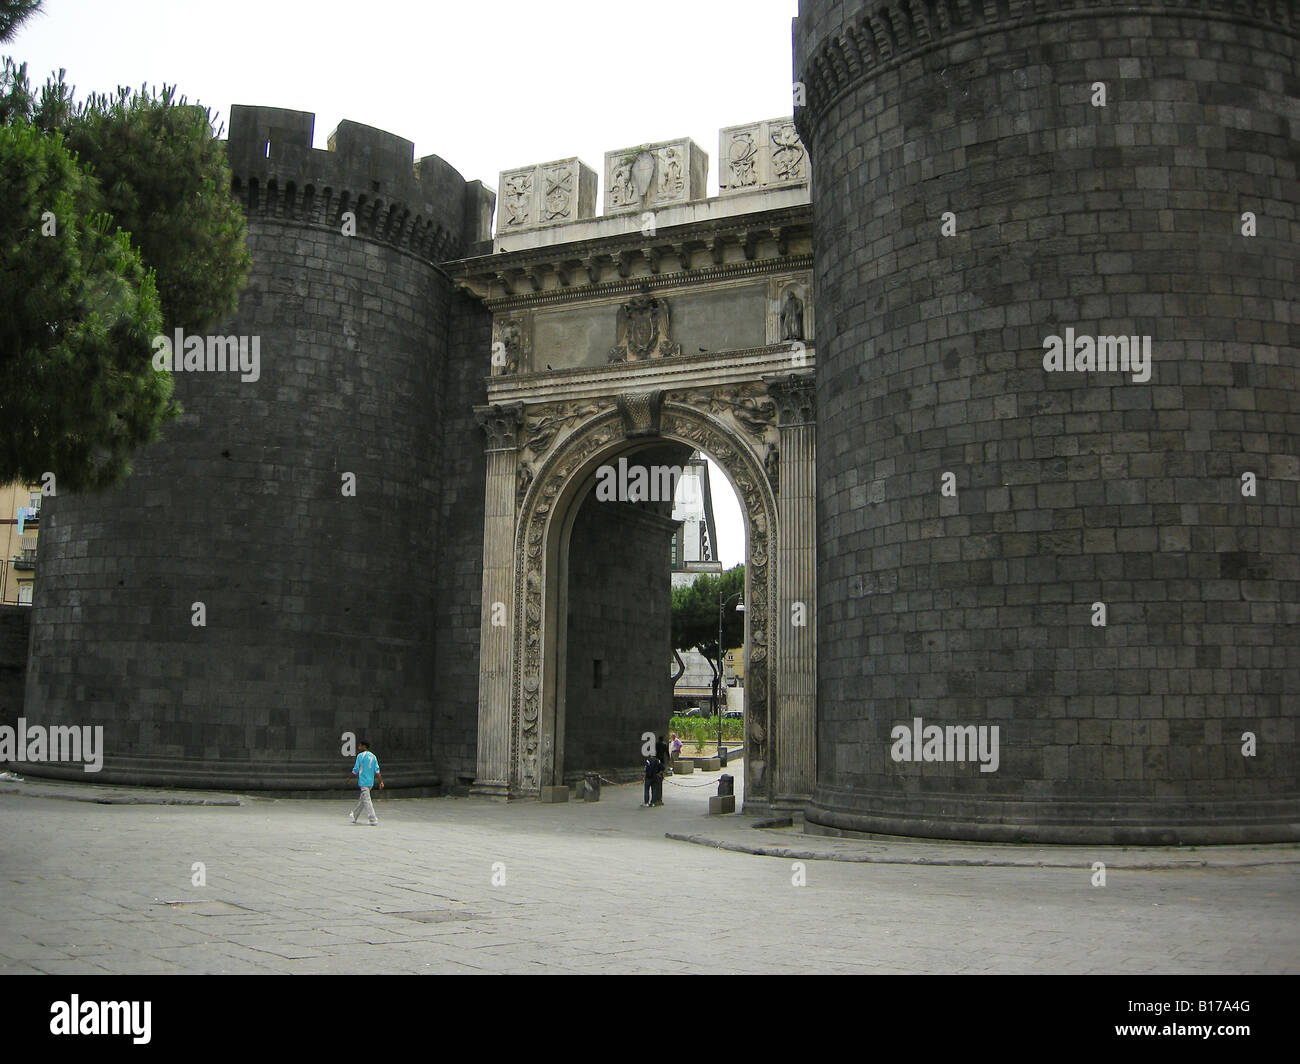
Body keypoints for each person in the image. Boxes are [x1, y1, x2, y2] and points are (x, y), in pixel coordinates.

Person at [348, 739, 383, 825]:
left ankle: (372, 819)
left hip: (363, 782)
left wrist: (349, 778)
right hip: (370, 782)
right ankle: (354, 815)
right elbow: (377, 771)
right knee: (363, 800)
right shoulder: (373, 756)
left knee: (366, 800)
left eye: (360, 746)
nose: (358, 747)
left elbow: (355, 769)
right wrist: (380, 782)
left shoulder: (360, 756)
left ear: (364, 747)